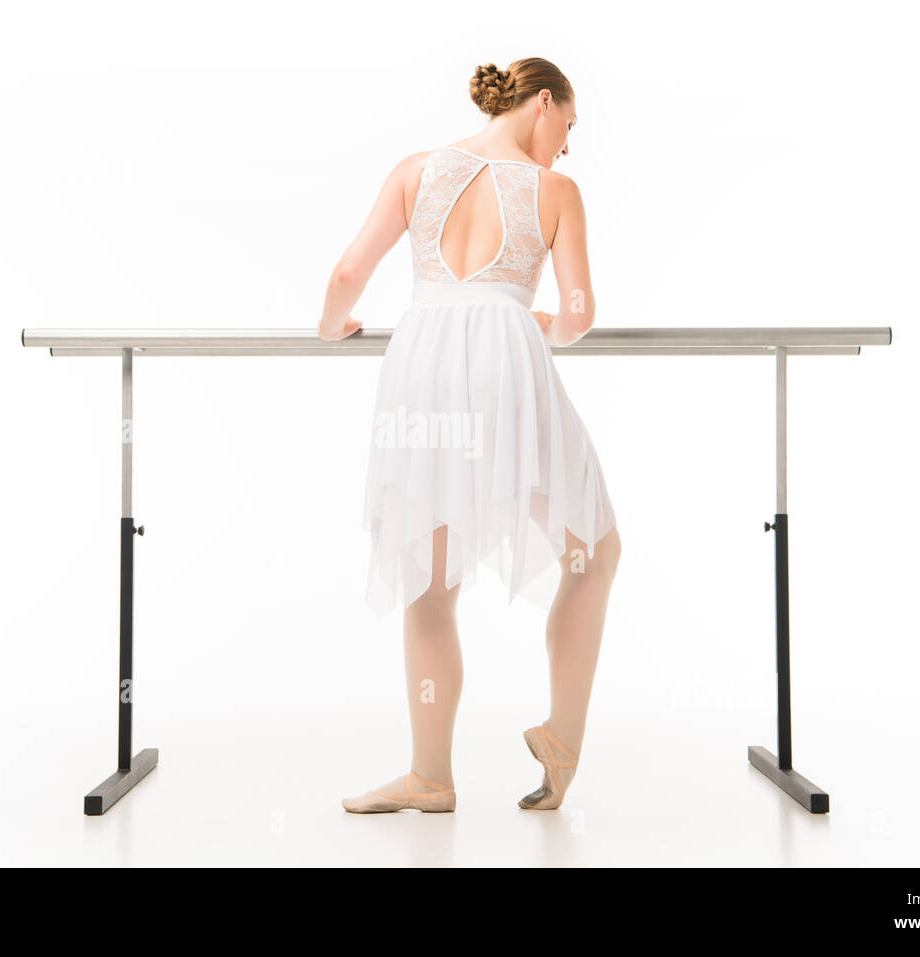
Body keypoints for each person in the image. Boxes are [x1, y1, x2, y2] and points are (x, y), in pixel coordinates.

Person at [317, 58, 621, 813]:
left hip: (421, 371)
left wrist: (332, 326)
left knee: (430, 579)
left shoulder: (417, 171)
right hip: (506, 371)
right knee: (594, 550)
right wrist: (544, 319)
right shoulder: (554, 190)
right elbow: (578, 313)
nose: (569, 147)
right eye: (570, 128)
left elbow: (349, 271)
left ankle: (429, 776)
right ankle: (562, 735)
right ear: (543, 102)